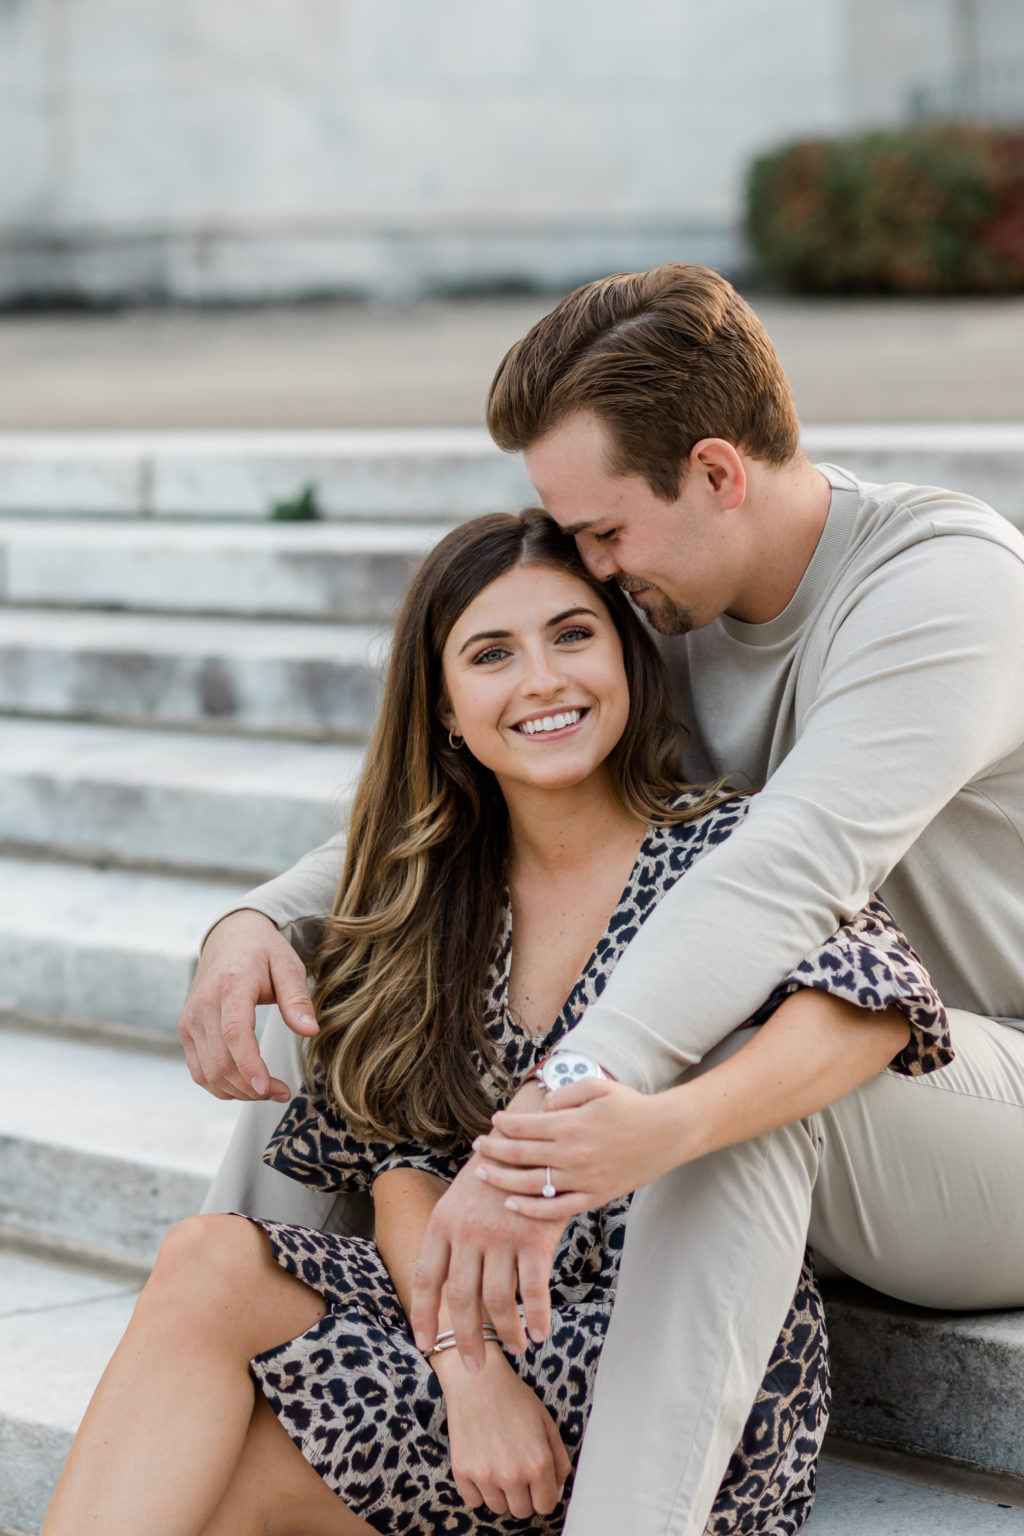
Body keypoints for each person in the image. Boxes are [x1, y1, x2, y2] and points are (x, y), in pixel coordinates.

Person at [181, 264, 1024, 1536]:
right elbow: (470, 805)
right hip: (822, 1095)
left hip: (971, 1104)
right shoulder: (675, 591)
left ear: (718, 471)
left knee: (724, 1075)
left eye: (603, 532)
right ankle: (208, 1424)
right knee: (344, 979)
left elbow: (785, 873)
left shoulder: (943, 589)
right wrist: (263, 917)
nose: (586, 564)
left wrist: (547, 1126)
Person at [45, 510, 948, 1536]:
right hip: (474, 1336)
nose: (543, 681)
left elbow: (872, 1005)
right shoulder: (433, 896)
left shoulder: (724, 847)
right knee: (207, 1259)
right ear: (442, 709)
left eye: (573, 634)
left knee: (232, 1480)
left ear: (625, 657)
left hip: (655, 1349)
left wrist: (671, 1128)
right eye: (491, 654)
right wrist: (468, 1378)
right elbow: (398, 1170)